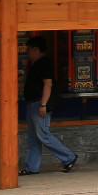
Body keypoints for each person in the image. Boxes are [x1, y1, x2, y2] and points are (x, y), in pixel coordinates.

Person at [20, 39, 77, 175]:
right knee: (33, 137)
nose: (27, 52)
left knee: (43, 135)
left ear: (35, 49)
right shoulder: (36, 65)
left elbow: (48, 84)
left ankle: (69, 157)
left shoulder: (45, 63)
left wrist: (43, 104)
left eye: (29, 49)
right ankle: (31, 167)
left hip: (39, 103)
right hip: (32, 103)